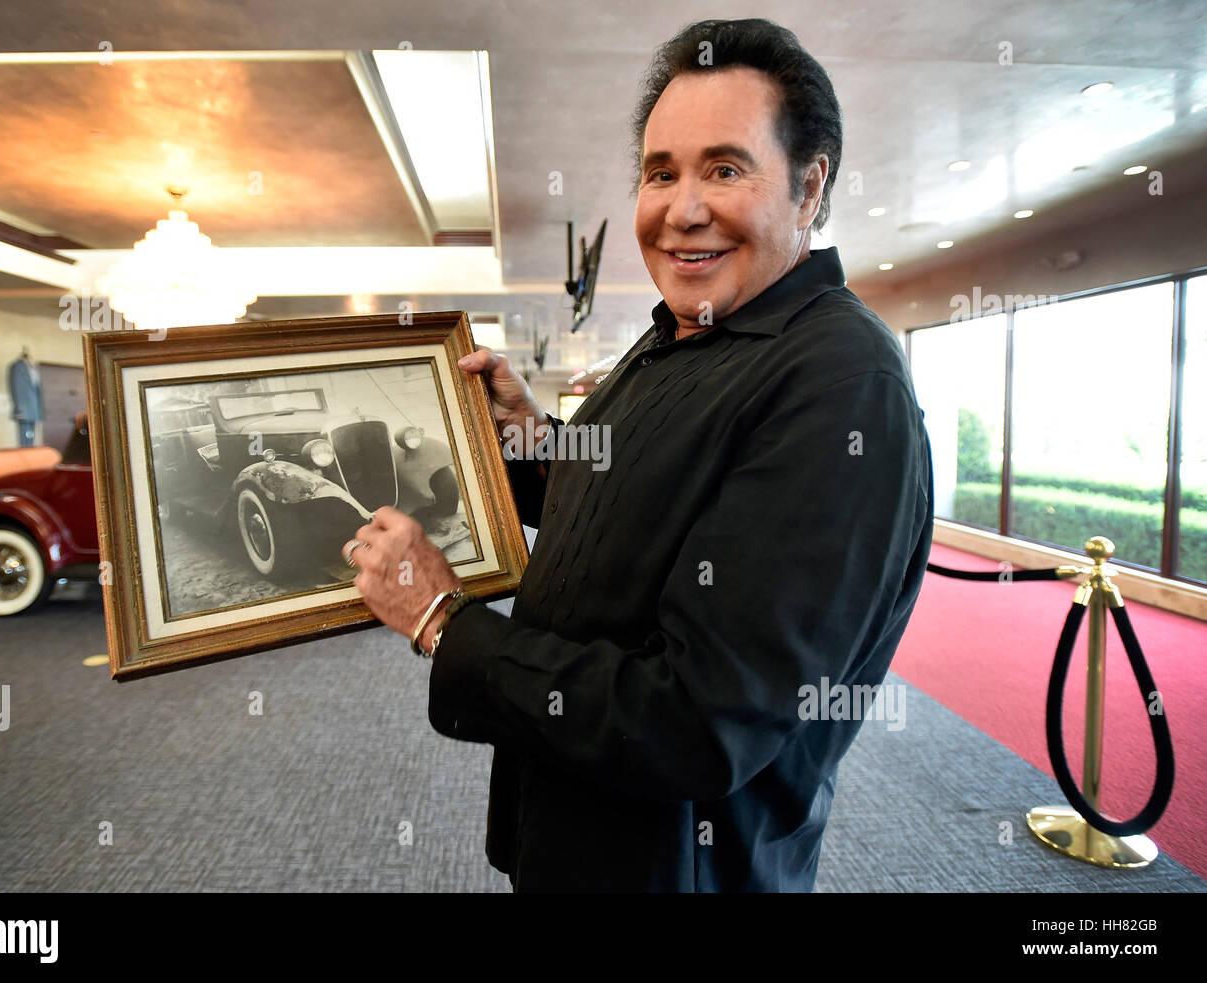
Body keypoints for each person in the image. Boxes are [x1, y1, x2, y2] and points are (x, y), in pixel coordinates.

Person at [347, 17, 934, 892]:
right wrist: (532, 439)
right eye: (661, 173)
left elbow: (699, 723)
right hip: (568, 834)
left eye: (725, 169)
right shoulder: (682, 335)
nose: (682, 208)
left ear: (810, 187)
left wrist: (443, 622)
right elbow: (639, 497)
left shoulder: (841, 383)